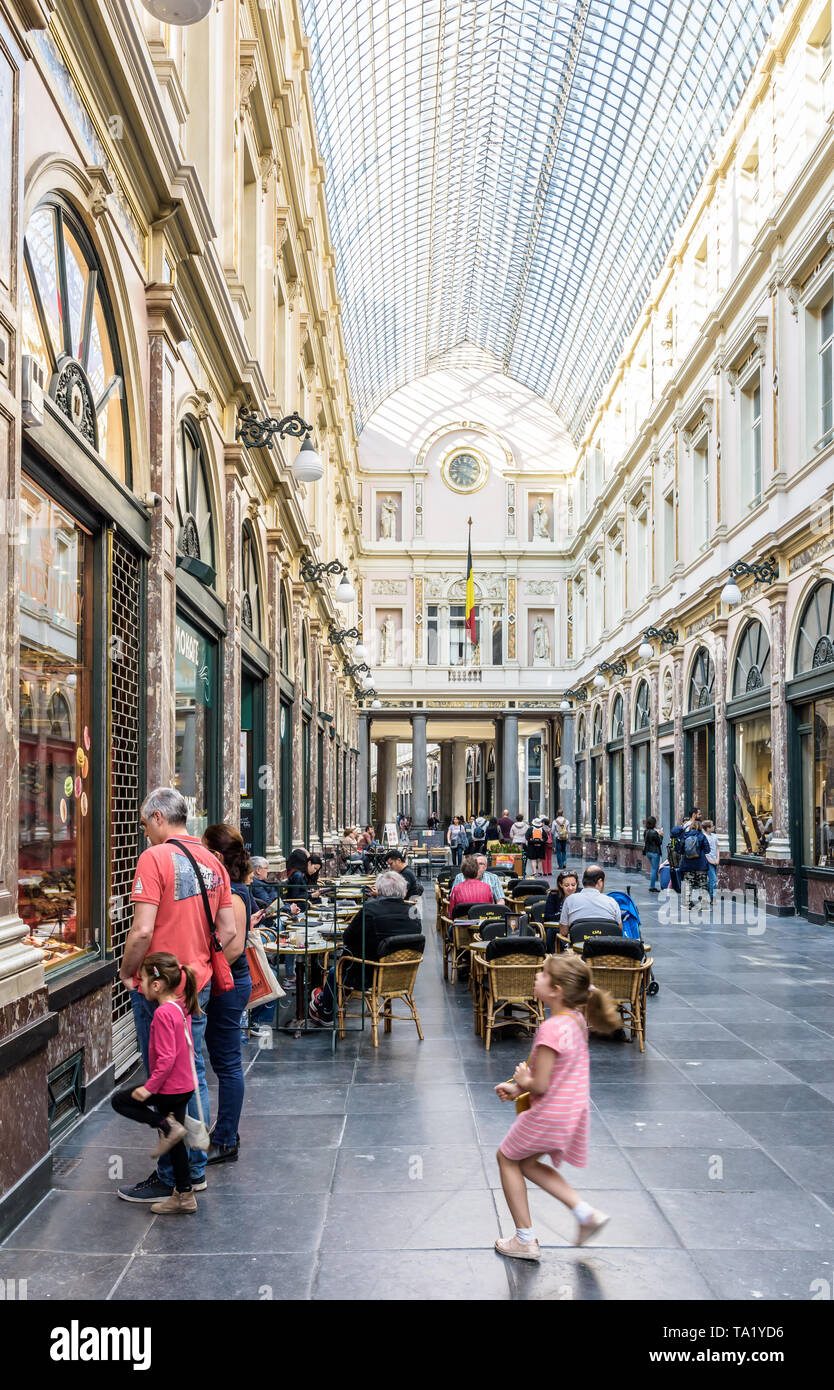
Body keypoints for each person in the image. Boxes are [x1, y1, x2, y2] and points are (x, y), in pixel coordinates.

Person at [117, 787, 235, 1204]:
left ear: (157, 817)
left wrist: (129, 972)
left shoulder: (154, 857)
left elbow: (143, 930)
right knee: (193, 1073)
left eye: (145, 822)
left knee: (163, 1080)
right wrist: (198, 965)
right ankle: (196, 1170)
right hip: (194, 988)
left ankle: (171, 1175)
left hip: (158, 987)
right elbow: (230, 931)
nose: (145, 831)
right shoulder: (212, 862)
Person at [493, 954, 621, 1260]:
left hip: (549, 1112)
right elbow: (556, 1071)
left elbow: (542, 1083)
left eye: (542, 974)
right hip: (570, 1112)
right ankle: (585, 1214)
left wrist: (525, 1080)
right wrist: (517, 1086)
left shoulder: (552, 1028)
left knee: (506, 1158)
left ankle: (524, 1239)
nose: (537, 976)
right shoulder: (575, 1020)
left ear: (556, 990)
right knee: (525, 1163)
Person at [111, 952, 200, 1216]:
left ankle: (164, 1126)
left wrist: (150, 1087)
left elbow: (167, 1057)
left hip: (168, 1088)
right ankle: (185, 1195)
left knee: (119, 1101)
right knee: (176, 1145)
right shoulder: (181, 1006)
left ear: (157, 985)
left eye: (144, 980)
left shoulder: (162, 1014)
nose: (140, 986)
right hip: (184, 1086)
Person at [202, 823, 259, 1165]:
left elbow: (234, 947)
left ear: (218, 856)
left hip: (228, 984)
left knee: (226, 1062)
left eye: (207, 849)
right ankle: (226, 1133)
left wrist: (203, 970)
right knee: (225, 1060)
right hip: (228, 984)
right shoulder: (231, 886)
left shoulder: (234, 892)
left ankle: (225, 1140)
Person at [309, 870, 418, 1023]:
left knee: (336, 970)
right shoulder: (413, 913)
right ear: (403, 891)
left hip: (368, 976)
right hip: (402, 974)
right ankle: (322, 1000)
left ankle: (325, 1011)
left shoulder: (371, 911)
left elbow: (347, 937)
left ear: (379, 891)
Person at [559, 865, 622, 934]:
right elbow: (619, 931)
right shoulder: (612, 902)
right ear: (600, 882)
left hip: (578, 944)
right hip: (605, 944)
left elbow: (563, 931)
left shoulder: (570, 900)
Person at [679, 816, 711, 912]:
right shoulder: (702, 836)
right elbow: (707, 850)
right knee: (703, 885)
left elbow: (680, 850)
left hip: (687, 865)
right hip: (701, 865)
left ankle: (686, 905)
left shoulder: (685, 836)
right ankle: (704, 906)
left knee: (688, 884)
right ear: (700, 827)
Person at [643, 816, 663, 893]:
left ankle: (652, 886)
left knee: (653, 869)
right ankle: (652, 887)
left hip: (648, 852)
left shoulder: (646, 831)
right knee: (654, 869)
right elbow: (659, 842)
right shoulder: (654, 832)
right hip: (655, 852)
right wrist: (661, 835)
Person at [702, 820, 719, 900]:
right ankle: (713, 897)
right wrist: (710, 861)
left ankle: (706, 894)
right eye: (712, 826)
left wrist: (717, 859)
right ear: (708, 828)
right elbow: (704, 851)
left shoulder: (714, 836)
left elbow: (717, 847)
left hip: (715, 860)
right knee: (714, 880)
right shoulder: (704, 837)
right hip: (708, 861)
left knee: (711, 880)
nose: (714, 827)